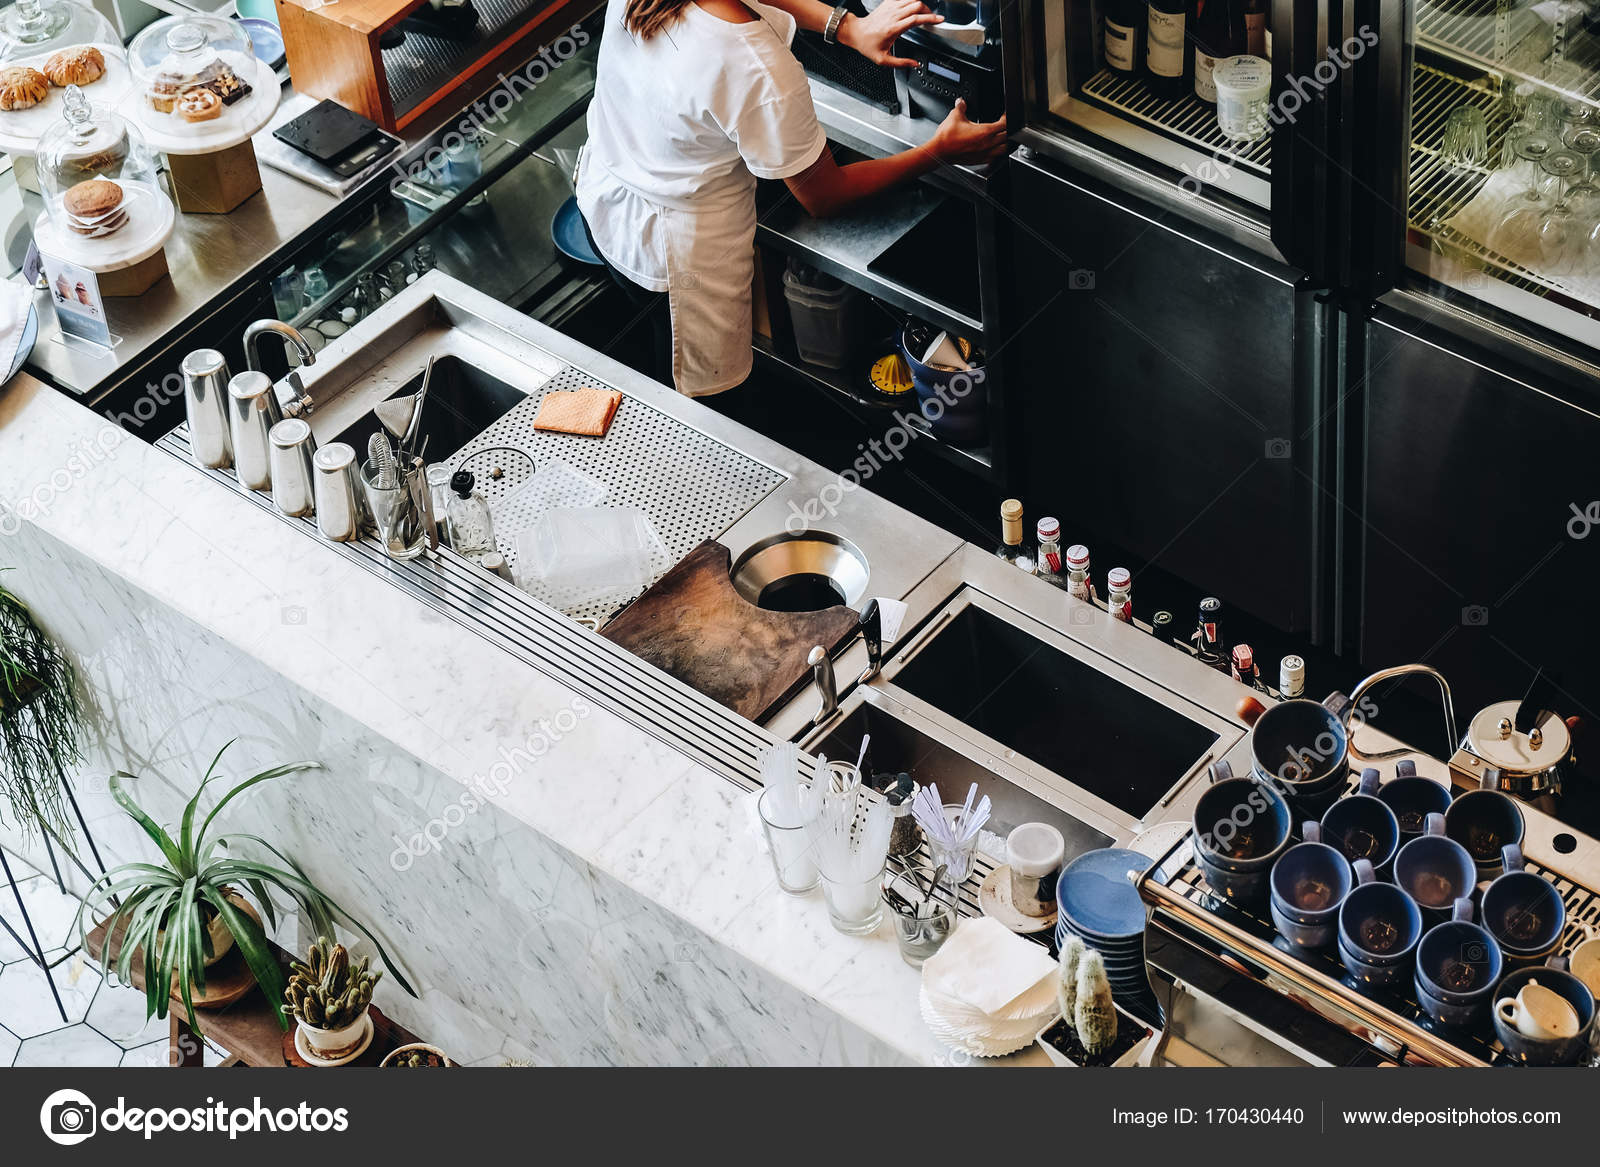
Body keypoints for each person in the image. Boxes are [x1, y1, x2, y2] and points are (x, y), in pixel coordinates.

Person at [576, 0, 1007, 397]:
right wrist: (939, 151)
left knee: (651, 366)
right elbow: (824, 195)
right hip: (675, 265)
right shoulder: (755, 65)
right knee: (697, 413)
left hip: (603, 196)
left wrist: (847, 27)